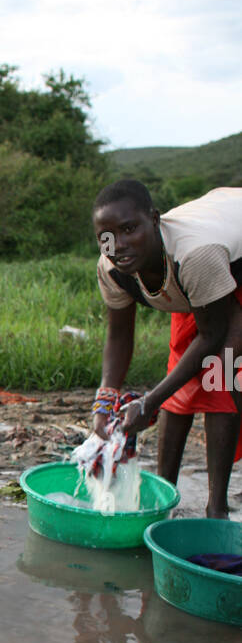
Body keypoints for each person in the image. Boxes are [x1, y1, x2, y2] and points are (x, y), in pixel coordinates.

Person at [91, 178, 242, 517]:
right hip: (196, 285)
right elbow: (118, 336)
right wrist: (105, 398)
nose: (119, 245)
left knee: (222, 374)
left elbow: (212, 336)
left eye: (130, 228)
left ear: (155, 219)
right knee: (179, 381)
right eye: (107, 237)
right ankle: (165, 500)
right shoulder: (112, 270)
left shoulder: (195, 254)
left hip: (231, 259)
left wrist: (149, 402)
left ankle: (217, 509)